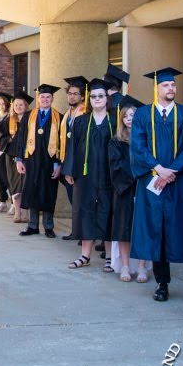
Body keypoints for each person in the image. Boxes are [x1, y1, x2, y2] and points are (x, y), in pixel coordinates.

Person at [130, 68, 183, 302]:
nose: (171, 88)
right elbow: (138, 147)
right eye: (166, 85)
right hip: (153, 181)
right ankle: (162, 284)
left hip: (179, 181)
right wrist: (158, 168)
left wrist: (173, 171)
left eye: (173, 85)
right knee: (157, 232)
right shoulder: (142, 115)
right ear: (156, 88)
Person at [62, 79, 114, 268]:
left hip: (109, 176)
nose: (97, 99)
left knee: (109, 213)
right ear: (89, 99)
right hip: (86, 175)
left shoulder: (114, 121)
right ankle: (85, 255)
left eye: (101, 96)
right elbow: (72, 147)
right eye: (93, 96)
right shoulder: (82, 121)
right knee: (86, 211)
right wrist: (69, 170)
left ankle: (110, 257)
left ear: (107, 98)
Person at [18, 84, 63, 237]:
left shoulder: (59, 117)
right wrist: (19, 160)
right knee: (33, 191)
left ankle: (49, 227)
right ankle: (32, 226)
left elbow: (63, 144)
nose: (45, 99)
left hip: (50, 162)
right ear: (38, 99)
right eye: (42, 97)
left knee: (49, 193)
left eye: (48, 97)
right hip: (32, 160)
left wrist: (59, 164)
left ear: (52, 99)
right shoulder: (28, 116)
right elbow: (21, 139)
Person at [108, 95, 145, 282]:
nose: (130, 118)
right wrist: (137, 174)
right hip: (124, 189)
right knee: (123, 229)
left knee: (142, 228)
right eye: (126, 115)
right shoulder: (116, 141)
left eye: (133, 115)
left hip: (144, 190)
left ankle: (141, 267)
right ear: (121, 119)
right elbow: (116, 166)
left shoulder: (146, 139)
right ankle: (124, 266)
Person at [59, 76, 88, 214]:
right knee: (72, 196)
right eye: (70, 93)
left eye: (75, 94)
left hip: (79, 162)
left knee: (80, 197)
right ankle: (76, 230)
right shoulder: (67, 114)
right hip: (67, 161)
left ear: (82, 96)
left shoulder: (85, 114)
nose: (71, 97)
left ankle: (81, 230)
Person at [5, 92, 31, 223]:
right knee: (15, 184)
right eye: (16, 105)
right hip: (11, 157)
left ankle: (25, 212)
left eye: (21, 104)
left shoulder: (31, 119)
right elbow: (1, 137)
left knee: (26, 184)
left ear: (26, 106)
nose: (18, 107)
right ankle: (17, 211)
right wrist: (10, 139)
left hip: (27, 155)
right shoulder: (8, 120)